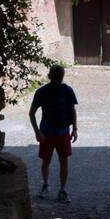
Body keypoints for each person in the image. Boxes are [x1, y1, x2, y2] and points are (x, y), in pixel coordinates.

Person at [29, 64, 78, 202]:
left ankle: (54, 188)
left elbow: (32, 114)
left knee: (50, 161)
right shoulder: (46, 92)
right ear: (53, 76)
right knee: (56, 161)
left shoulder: (64, 91)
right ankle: (57, 189)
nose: (58, 79)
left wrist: (38, 132)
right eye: (57, 77)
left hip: (53, 132)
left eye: (59, 77)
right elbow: (72, 111)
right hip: (49, 132)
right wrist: (74, 128)